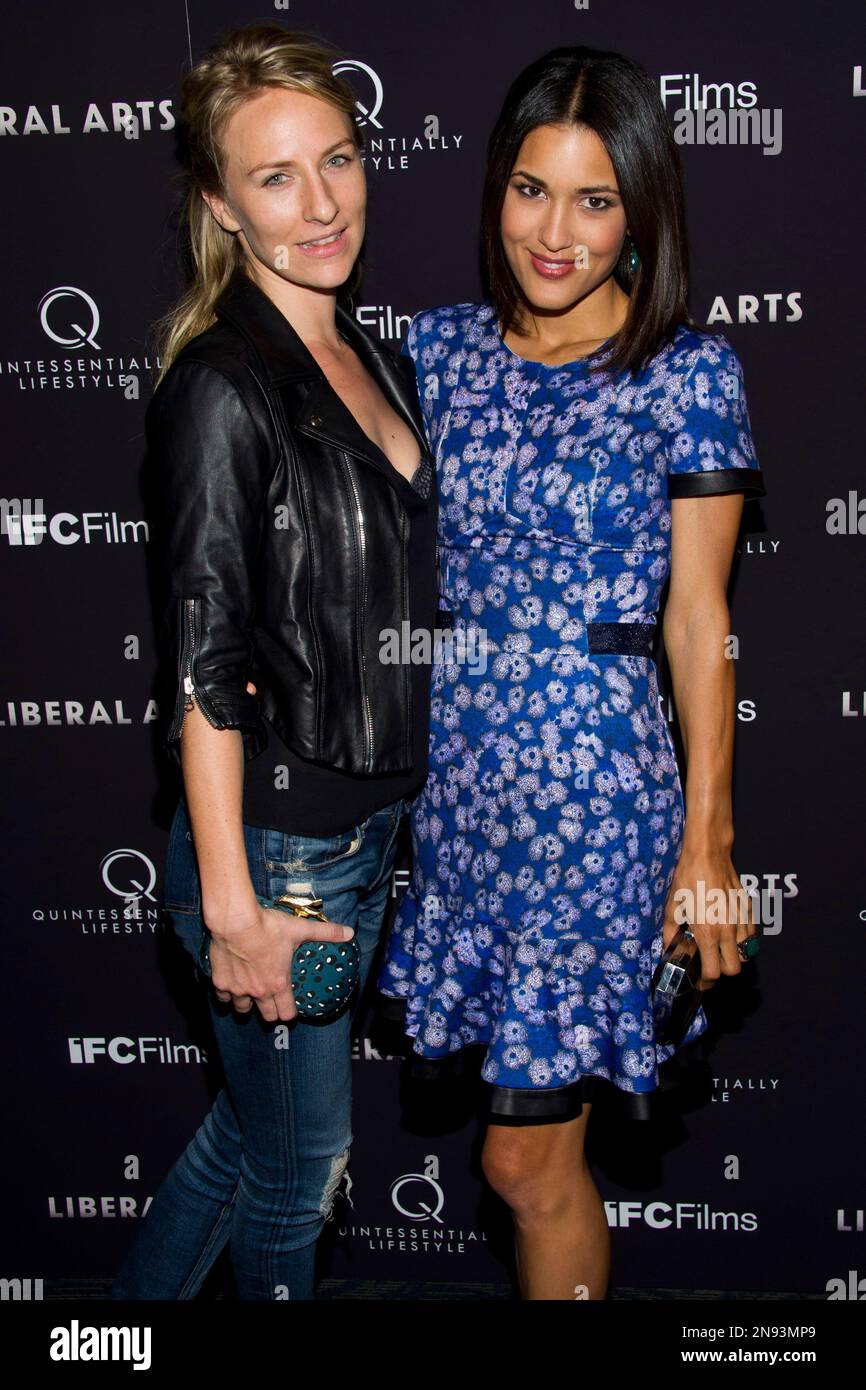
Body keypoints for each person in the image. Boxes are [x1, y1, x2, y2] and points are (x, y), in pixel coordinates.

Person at [376, 44, 765, 1300]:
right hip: (458, 799)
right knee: (522, 1158)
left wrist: (704, 846)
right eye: (530, 189)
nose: (556, 231)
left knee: (521, 1161)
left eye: (595, 199)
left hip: (595, 803)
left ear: (639, 211)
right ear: (492, 190)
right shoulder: (431, 354)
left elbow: (698, 616)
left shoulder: (685, 375)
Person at [111, 23, 438, 1300]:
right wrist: (238, 911)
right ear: (218, 205)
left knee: (251, 1140)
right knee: (299, 1180)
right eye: (274, 177)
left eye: (338, 161)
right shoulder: (221, 386)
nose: (320, 205)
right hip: (282, 848)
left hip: (363, 838)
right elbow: (202, 658)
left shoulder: (375, 359)